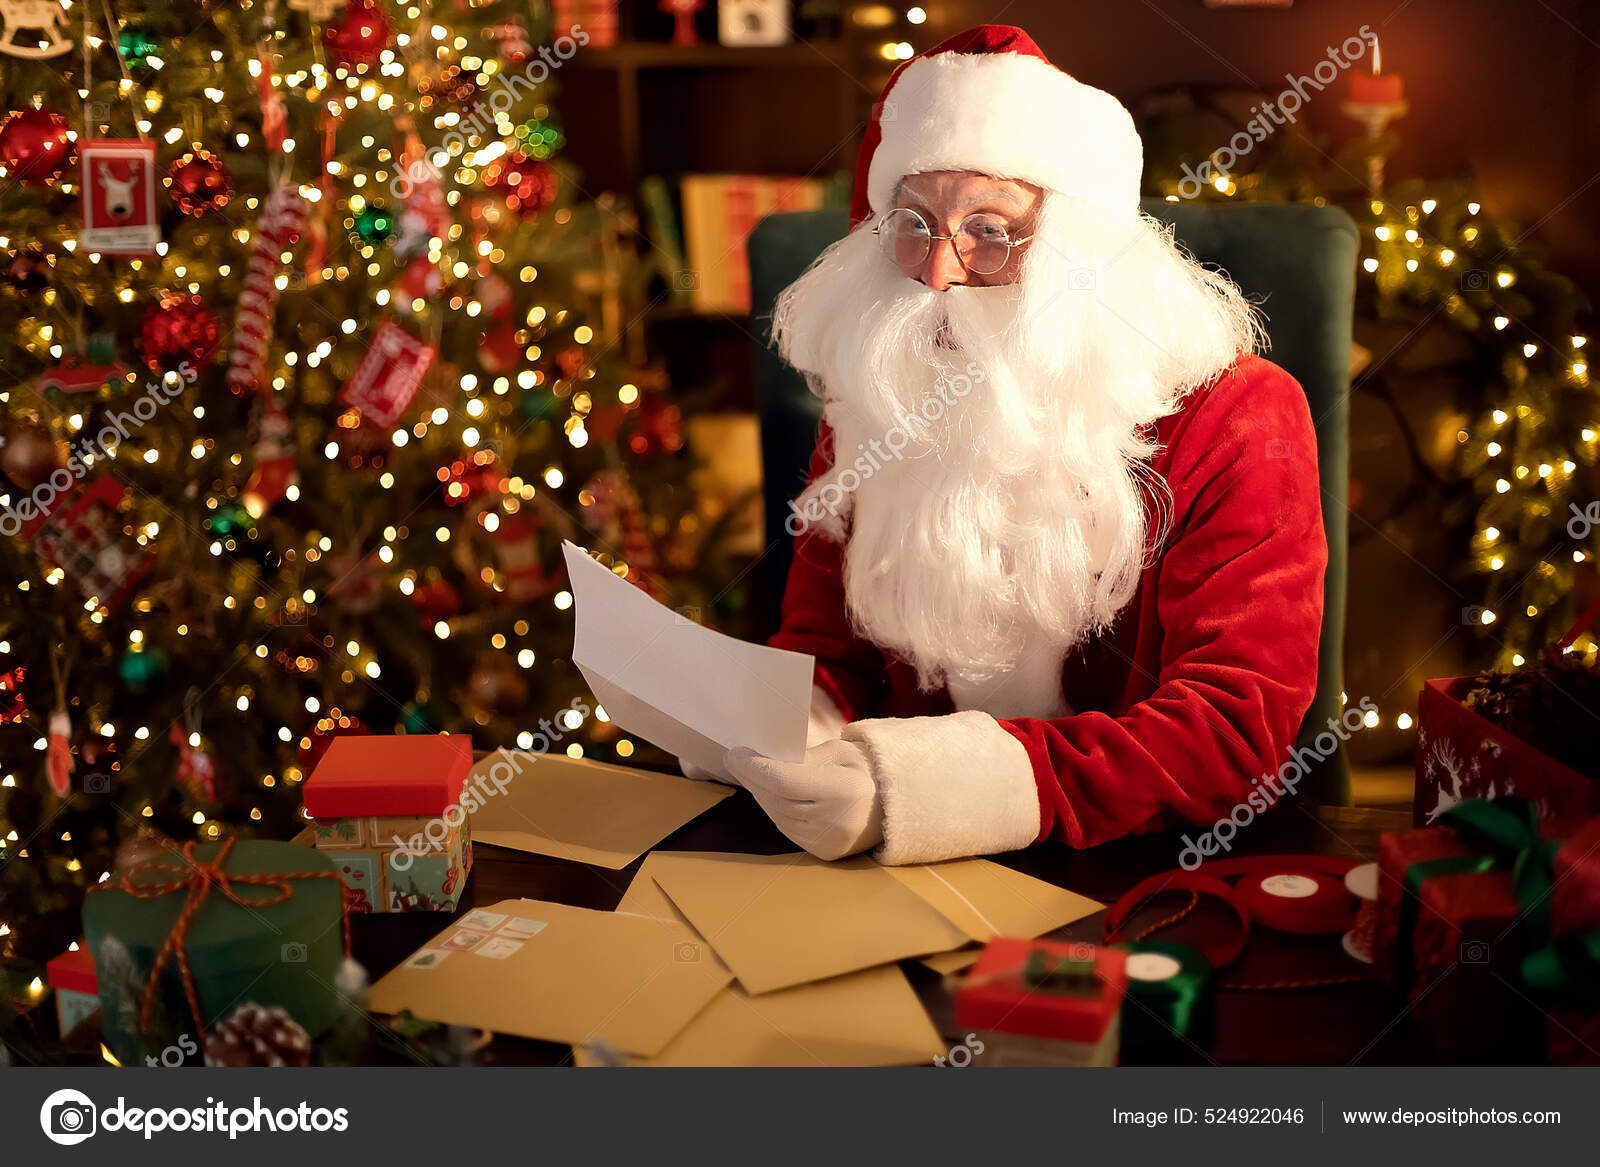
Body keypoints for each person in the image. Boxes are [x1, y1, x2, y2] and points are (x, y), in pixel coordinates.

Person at [693, 25, 1326, 866]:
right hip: (890, 879)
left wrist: (905, 789)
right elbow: (827, 651)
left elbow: (1230, 734)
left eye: (990, 230)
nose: (938, 274)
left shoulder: (1240, 417)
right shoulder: (872, 398)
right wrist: (793, 736)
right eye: (913, 223)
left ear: (1079, 256)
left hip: (1146, 870)